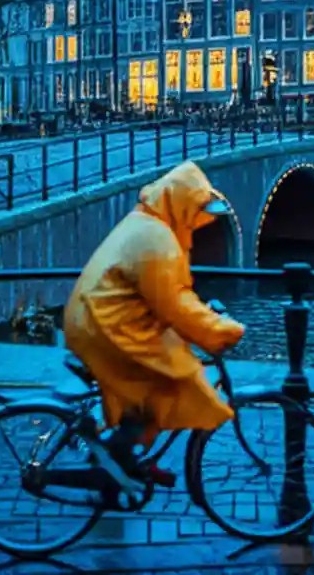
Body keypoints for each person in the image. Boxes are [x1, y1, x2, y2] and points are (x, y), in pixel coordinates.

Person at [63, 160, 246, 494]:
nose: (199, 221)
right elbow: (174, 304)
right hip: (105, 329)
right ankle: (114, 465)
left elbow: (163, 294)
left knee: (160, 370)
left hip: (97, 319)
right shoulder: (157, 241)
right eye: (197, 211)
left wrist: (197, 318)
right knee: (161, 385)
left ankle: (122, 458)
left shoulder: (146, 224)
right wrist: (220, 330)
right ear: (181, 205)